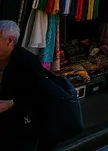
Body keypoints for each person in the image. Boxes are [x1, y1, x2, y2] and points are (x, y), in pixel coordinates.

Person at [0, 20, 83, 150]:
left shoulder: (26, 61)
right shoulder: (4, 58)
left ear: (10, 41)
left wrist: (13, 103)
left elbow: (43, 95)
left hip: (24, 128)